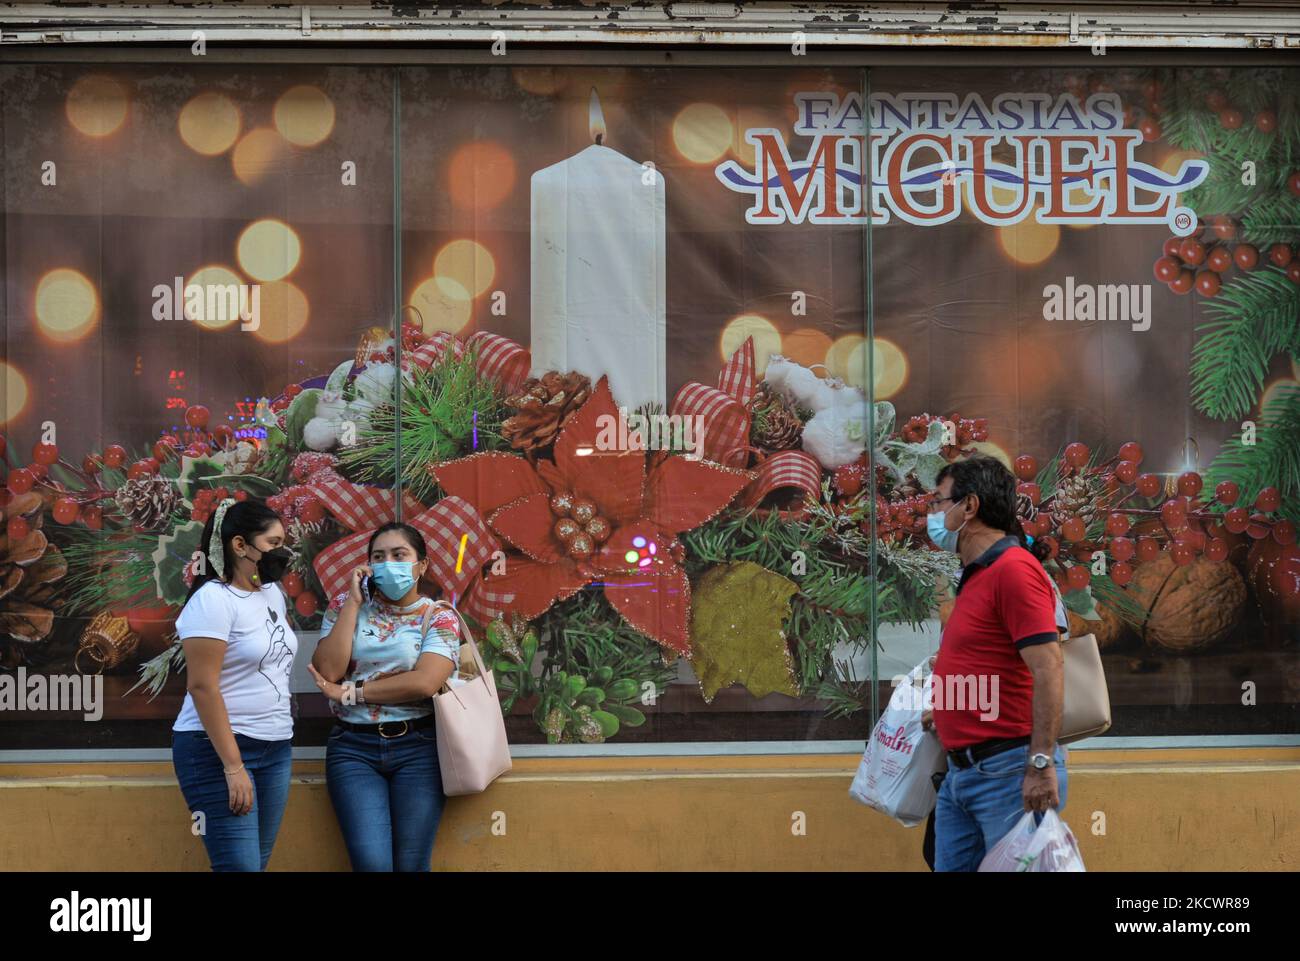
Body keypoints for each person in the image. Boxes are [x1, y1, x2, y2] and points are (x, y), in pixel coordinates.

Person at [923, 454, 1068, 872]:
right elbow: (992, 663)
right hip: (962, 775)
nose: (932, 515)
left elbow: (1048, 668)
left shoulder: (1013, 571)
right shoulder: (976, 575)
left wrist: (1040, 763)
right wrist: (951, 707)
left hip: (1007, 772)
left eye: (938, 502)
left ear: (969, 507)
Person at [307, 522, 460, 872]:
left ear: (421, 565)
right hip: (353, 750)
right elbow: (327, 671)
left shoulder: (438, 616)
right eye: (379, 556)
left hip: (419, 748)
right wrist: (353, 606)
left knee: (411, 864)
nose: (388, 563)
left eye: (399, 554)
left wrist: (352, 692)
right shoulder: (346, 604)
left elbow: (424, 682)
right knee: (371, 863)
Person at [171, 498, 298, 872]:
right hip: (216, 750)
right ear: (239, 545)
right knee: (239, 868)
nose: (282, 551)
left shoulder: (272, 593)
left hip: (274, 747)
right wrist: (232, 765)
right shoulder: (212, 600)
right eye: (273, 543)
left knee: (254, 865)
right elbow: (202, 687)